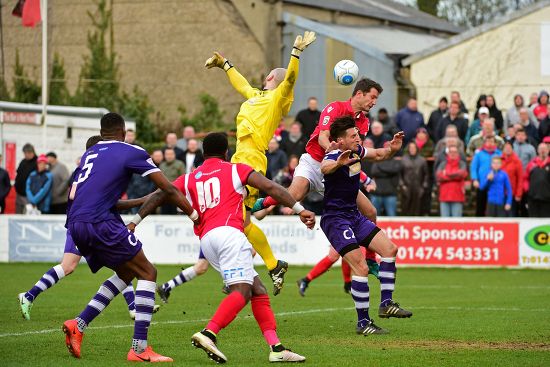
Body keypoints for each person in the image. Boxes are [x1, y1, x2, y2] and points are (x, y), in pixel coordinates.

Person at [131, 132, 315, 363]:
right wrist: (300, 209)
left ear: (202, 153)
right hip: (230, 234)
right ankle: (209, 333)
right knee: (242, 291)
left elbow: (158, 195)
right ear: (226, 152)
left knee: (258, 290)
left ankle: (276, 348)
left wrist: (129, 212)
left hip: (208, 241)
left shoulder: (189, 177)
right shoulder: (235, 169)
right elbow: (272, 188)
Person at [61, 112, 197, 362]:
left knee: (126, 272)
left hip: (76, 224)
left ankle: (78, 324)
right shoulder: (130, 151)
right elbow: (168, 187)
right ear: (123, 132)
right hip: (100, 222)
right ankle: (139, 348)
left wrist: (140, 201)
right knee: (148, 272)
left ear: (102, 132)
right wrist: (194, 214)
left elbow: (104, 199)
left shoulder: (91, 153)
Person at [204, 30, 316, 295]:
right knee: (238, 220)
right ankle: (270, 265)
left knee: (239, 220)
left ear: (269, 78)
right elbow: (240, 83)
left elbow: (288, 80)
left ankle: (264, 266)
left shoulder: (277, 98)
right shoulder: (255, 96)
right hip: (238, 156)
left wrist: (295, 54)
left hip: (252, 156)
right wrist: (225, 64)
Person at [252, 78, 394, 276]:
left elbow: (356, 151)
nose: (374, 102)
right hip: (315, 162)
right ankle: (264, 202)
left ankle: (370, 259)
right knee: (295, 193)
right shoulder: (334, 108)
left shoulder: (363, 122)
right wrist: (333, 155)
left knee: (370, 211)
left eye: (376, 98)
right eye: (372, 97)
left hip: (338, 170)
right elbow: (322, 137)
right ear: (359, 94)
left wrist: (375, 162)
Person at [18, 136, 158, 321]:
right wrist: (140, 201)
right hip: (88, 223)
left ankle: (132, 307)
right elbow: (79, 195)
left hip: (85, 221)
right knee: (69, 266)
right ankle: (29, 295)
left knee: (122, 262)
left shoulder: (85, 169)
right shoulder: (91, 170)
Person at [320, 117, 411, 335]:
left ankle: (386, 303)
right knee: (360, 267)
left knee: (390, 249)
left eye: (358, 135)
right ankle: (363, 323)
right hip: (336, 219)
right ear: (340, 141)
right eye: (353, 136)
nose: (358, 138)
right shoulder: (334, 154)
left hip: (354, 215)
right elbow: (325, 167)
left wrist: (392, 148)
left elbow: (379, 154)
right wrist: (337, 163)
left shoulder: (357, 151)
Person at [470, 135, 502, 216]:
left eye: (491, 141)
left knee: (494, 207)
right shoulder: (479, 154)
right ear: (484, 143)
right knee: (480, 206)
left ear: (495, 143)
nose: (489, 144)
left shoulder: (499, 154)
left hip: (495, 184)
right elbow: (474, 167)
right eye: (488, 141)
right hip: (482, 184)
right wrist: (475, 179)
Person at [370, 142, 402, 217]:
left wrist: (381, 168)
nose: (387, 148)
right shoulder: (377, 159)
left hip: (390, 193)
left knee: (392, 217)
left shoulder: (396, 161)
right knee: (373, 217)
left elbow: (395, 170)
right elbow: (374, 172)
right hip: (377, 193)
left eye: (389, 146)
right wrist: (389, 172)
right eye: (385, 146)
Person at [436, 145, 468, 217]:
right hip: (444, 196)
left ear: (458, 153)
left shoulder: (462, 164)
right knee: (444, 222)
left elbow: (463, 174)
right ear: (448, 153)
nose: (453, 154)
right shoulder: (443, 164)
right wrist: (455, 176)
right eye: (451, 152)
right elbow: (439, 176)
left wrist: (446, 174)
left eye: (455, 152)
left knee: (457, 222)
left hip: (457, 196)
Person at [400, 142, 428, 216]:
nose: (412, 149)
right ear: (408, 149)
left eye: (414, 148)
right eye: (410, 148)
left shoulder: (422, 160)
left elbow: (426, 175)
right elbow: (400, 174)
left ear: (417, 149)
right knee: (406, 206)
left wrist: (423, 187)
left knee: (418, 207)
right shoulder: (403, 159)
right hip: (407, 186)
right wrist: (402, 185)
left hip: (418, 186)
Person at [524, 143, 550, 217]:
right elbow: (525, 178)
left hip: (547, 199)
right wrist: (528, 189)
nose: (543, 151)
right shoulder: (531, 164)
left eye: (544, 149)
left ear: (548, 150)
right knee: (533, 220)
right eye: (541, 149)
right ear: (537, 150)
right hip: (533, 199)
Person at [159, 148, 185, 214]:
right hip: (164, 196)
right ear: (164, 155)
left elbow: (183, 180)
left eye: (171, 154)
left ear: (174, 155)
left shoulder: (180, 164)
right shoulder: (162, 165)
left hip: (175, 196)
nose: (169, 156)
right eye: (167, 154)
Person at [500, 141, 523, 216]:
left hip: (512, 193)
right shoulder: (498, 160)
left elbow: (520, 178)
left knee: (511, 214)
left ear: (512, 149)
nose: (507, 149)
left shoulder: (517, 161)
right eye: (506, 148)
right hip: (500, 193)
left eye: (509, 148)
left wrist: (518, 194)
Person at [14, 143, 37, 214]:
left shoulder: (37, 162)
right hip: (19, 193)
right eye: (24, 153)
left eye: (27, 153)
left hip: (29, 195)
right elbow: (18, 174)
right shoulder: (23, 161)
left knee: (27, 215)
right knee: (18, 214)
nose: (25, 155)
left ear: (32, 152)